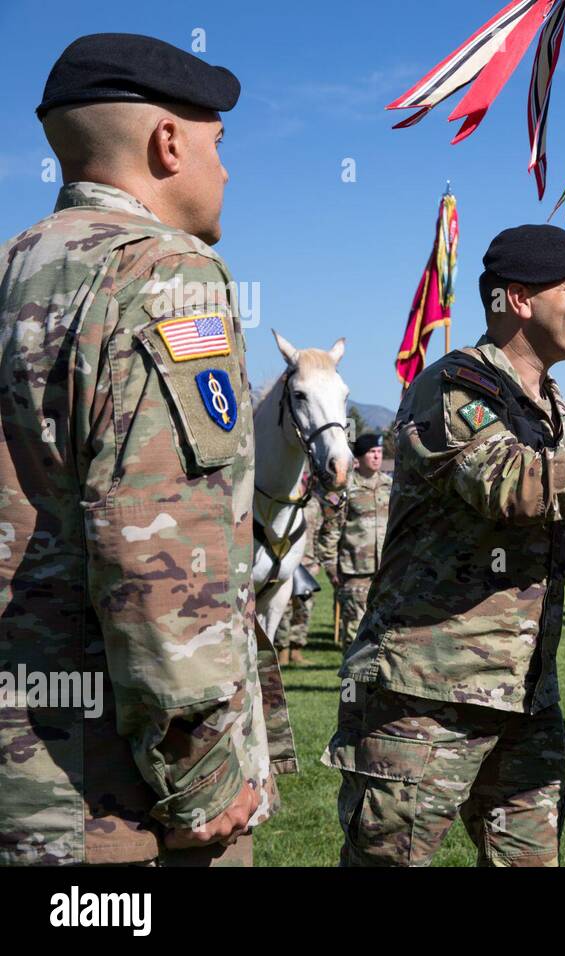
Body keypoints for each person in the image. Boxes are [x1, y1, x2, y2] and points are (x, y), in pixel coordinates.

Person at [0, 33, 293, 866]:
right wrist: (199, 777)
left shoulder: (11, 269)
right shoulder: (166, 276)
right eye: (219, 144)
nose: (226, 170)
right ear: (169, 143)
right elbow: (158, 542)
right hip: (113, 797)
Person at [325, 224, 565, 866]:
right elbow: (515, 487)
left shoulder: (559, 411)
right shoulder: (455, 387)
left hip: (525, 699)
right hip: (427, 694)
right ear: (519, 301)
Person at [318, 433, 391, 651]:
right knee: (354, 635)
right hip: (354, 573)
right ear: (359, 457)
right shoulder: (345, 490)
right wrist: (331, 569)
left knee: (384, 635)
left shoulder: (391, 486)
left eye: (379, 452)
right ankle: (352, 685)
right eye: (371, 452)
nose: (377, 457)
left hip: (386, 570)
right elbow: (330, 531)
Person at [274, 472, 324, 665]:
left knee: (304, 608)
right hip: (284, 563)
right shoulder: (281, 502)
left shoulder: (313, 504)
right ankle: (282, 650)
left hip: (308, 564)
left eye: (304, 477)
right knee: (283, 608)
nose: (302, 480)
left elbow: (320, 533)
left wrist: (318, 560)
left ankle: (297, 650)